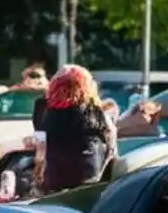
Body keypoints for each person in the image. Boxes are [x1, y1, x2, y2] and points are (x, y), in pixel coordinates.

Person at [39, 65, 114, 193]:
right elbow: (111, 148)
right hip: (90, 178)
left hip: (56, 180)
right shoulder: (96, 112)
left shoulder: (48, 115)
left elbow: (42, 149)